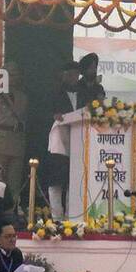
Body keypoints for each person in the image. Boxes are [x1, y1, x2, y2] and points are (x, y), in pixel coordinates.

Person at [43, 61, 80, 220]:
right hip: (59, 142)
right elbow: (42, 114)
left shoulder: (83, 93)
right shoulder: (54, 93)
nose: (74, 78)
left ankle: (72, 216)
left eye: (76, 75)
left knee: (75, 181)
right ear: (64, 75)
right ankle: (57, 217)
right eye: (70, 75)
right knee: (57, 182)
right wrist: (53, 116)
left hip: (79, 142)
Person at [0, 63, 29, 204]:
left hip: (17, 139)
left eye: (17, 74)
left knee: (15, 181)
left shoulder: (22, 96)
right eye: (11, 74)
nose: (15, 78)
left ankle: (12, 212)